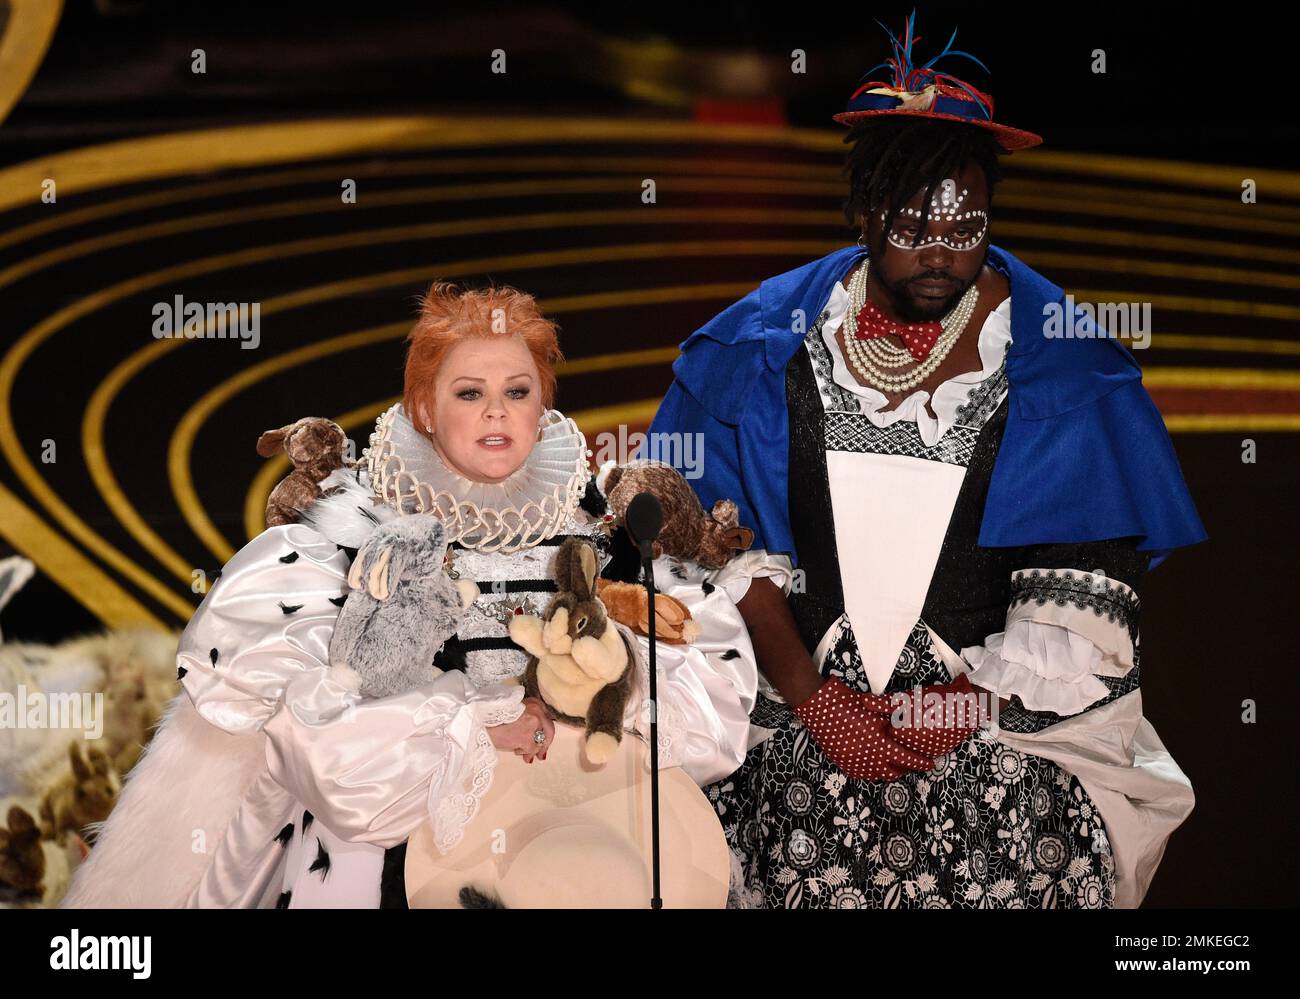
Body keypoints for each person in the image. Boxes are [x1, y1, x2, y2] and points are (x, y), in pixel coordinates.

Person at [640, 12, 1205, 909]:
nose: (941, 252)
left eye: (967, 226)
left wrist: (943, 713)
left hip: (997, 722)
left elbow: (1079, 601)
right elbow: (710, 543)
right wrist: (817, 701)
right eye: (912, 228)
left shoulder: (1060, 365)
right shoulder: (765, 345)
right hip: (791, 703)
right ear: (867, 214)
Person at [63, 281, 758, 908]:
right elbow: (323, 746)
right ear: (424, 406)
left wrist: (599, 691)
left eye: (517, 391)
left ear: (542, 400)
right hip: (389, 846)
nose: (496, 412)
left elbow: (705, 720)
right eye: (469, 393)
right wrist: (477, 727)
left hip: (565, 831)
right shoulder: (355, 532)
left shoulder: (599, 525)